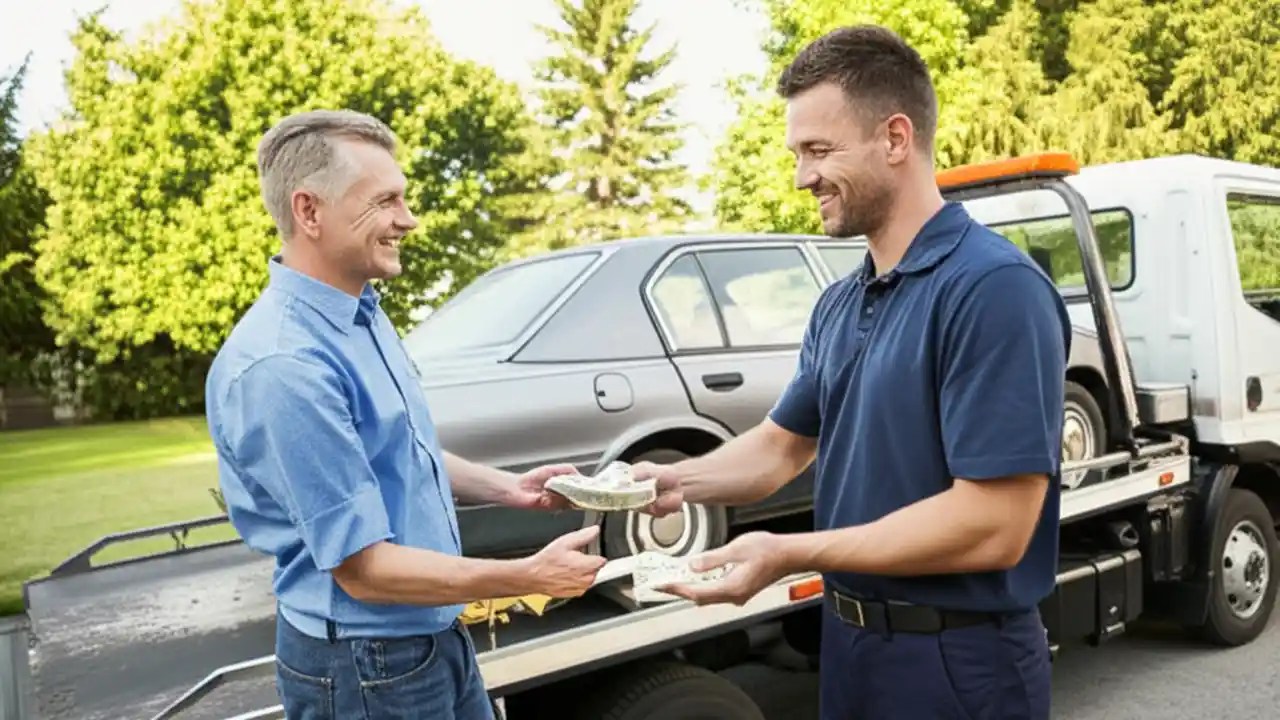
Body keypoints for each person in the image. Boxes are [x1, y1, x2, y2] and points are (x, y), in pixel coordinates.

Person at [638, 25, 1071, 720]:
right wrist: (665, 482)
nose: (802, 176)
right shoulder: (842, 301)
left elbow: (995, 523)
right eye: (797, 153)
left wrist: (788, 552)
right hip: (850, 650)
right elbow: (782, 448)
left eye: (818, 150)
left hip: (957, 663)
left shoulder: (994, 288)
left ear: (895, 139)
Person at [204, 109, 607, 720]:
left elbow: (398, 448)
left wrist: (509, 488)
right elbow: (364, 572)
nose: (407, 219)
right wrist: (527, 574)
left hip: (431, 636)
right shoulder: (285, 365)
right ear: (309, 211)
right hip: (366, 664)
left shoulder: (360, 312)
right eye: (385, 200)